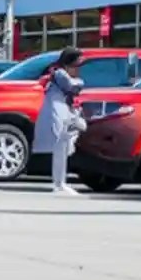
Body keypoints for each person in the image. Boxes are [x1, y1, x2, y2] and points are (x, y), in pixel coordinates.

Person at [32, 48, 87, 195]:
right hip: (58, 115)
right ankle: (59, 183)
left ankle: (60, 182)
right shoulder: (60, 74)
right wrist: (80, 82)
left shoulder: (58, 74)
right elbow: (72, 86)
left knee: (63, 147)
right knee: (60, 148)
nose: (79, 70)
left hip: (64, 114)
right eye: (77, 65)